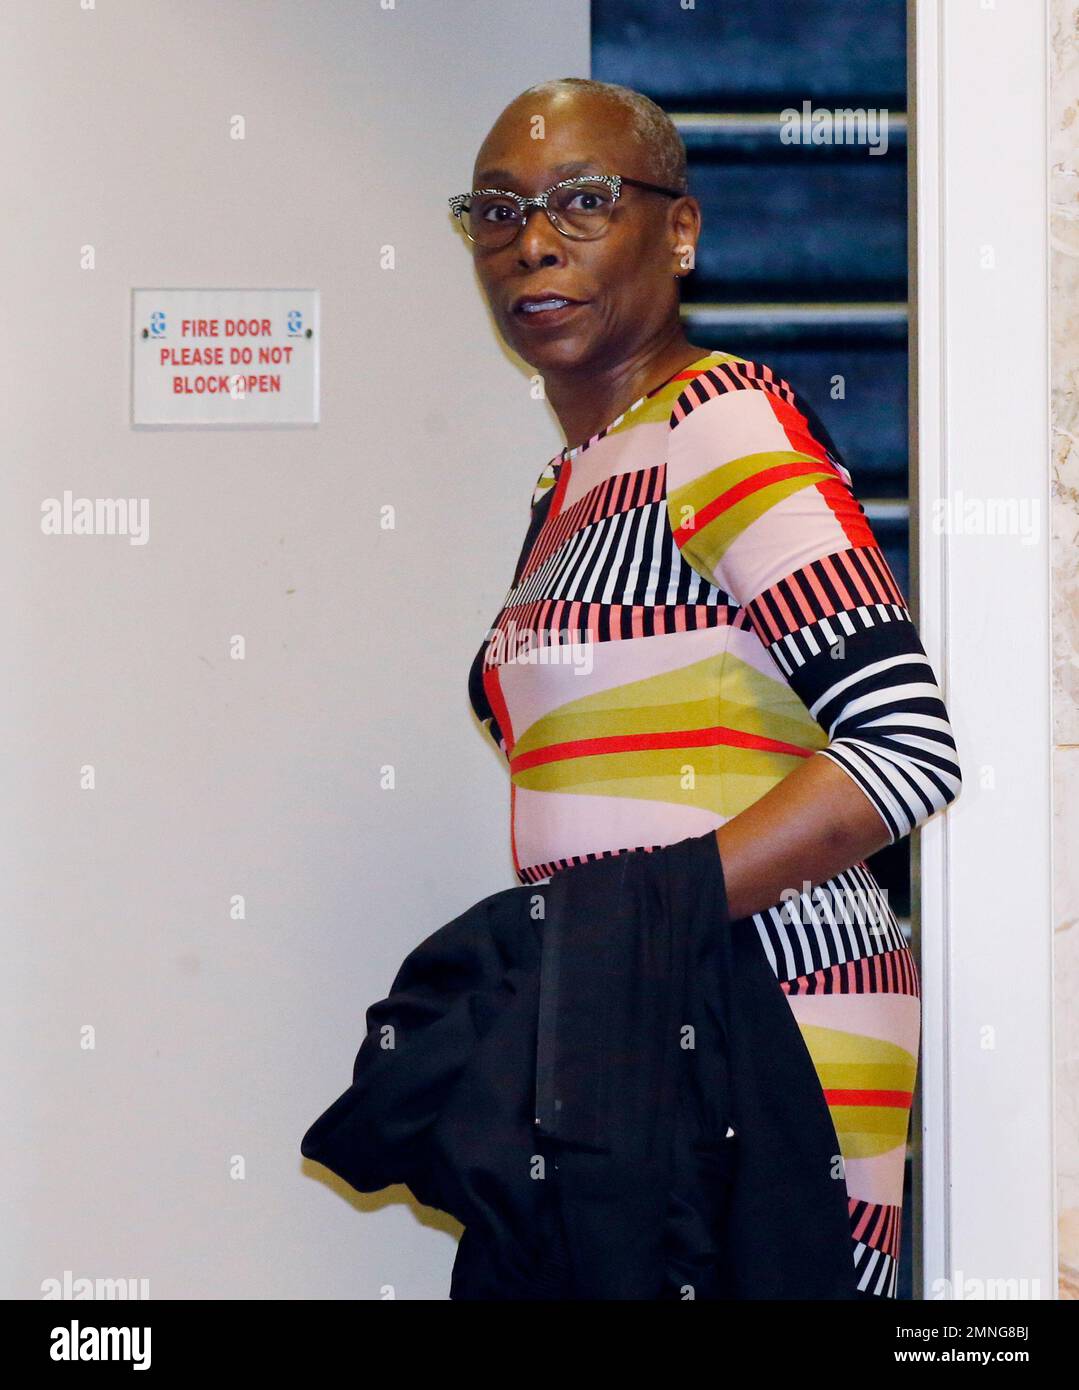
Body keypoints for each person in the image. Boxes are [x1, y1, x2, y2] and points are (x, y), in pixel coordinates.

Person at [449, 77, 962, 1299]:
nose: (531, 240)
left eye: (583, 202)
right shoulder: (574, 479)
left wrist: (618, 924)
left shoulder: (719, 423)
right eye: (496, 210)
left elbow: (903, 746)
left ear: (677, 231)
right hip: (627, 1024)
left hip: (769, 1018)